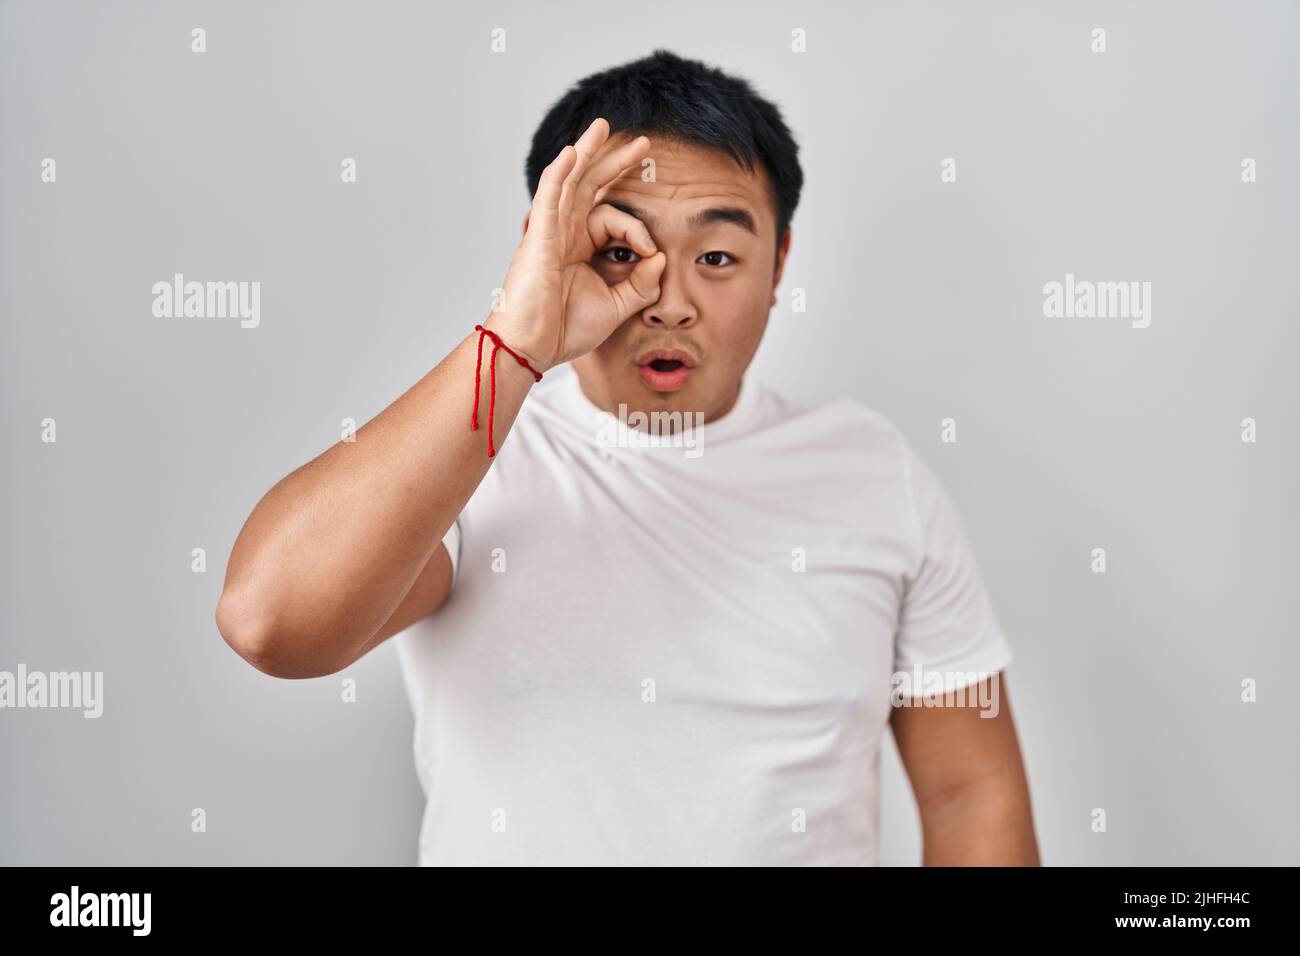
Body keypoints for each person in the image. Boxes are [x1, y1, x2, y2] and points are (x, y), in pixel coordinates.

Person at [216, 49, 1039, 866]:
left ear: (779, 264)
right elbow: (272, 625)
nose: (669, 304)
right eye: (620, 250)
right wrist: (517, 336)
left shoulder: (873, 475)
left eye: (716, 258)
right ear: (544, 248)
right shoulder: (467, 461)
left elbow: (970, 792)